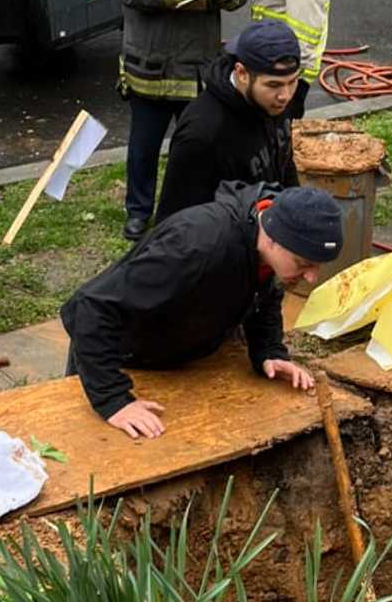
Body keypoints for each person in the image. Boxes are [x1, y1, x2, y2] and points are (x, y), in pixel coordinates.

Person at [61, 181, 342, 438]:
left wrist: (268, 351)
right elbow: (92, 308)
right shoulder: (194, 246)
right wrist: (112, 399)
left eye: (318, 266)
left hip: (174, 361)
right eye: (304, 263)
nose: (312, 277)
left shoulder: (267, 240)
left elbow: (263, 294)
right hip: (116, 361)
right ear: (271, 239)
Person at [115, 0, 246, 241]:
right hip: (152, 69)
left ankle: (187, 210)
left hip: (197, 71)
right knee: (144, 149)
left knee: (195, 149)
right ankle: (138, 213)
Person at [155, 22, 300, 224]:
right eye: (273, 85)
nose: (285, 96)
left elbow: (284, 160)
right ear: (242, 74)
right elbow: (177, 224)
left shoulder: (275, 102)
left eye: (293, 81)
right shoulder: (202, 133)